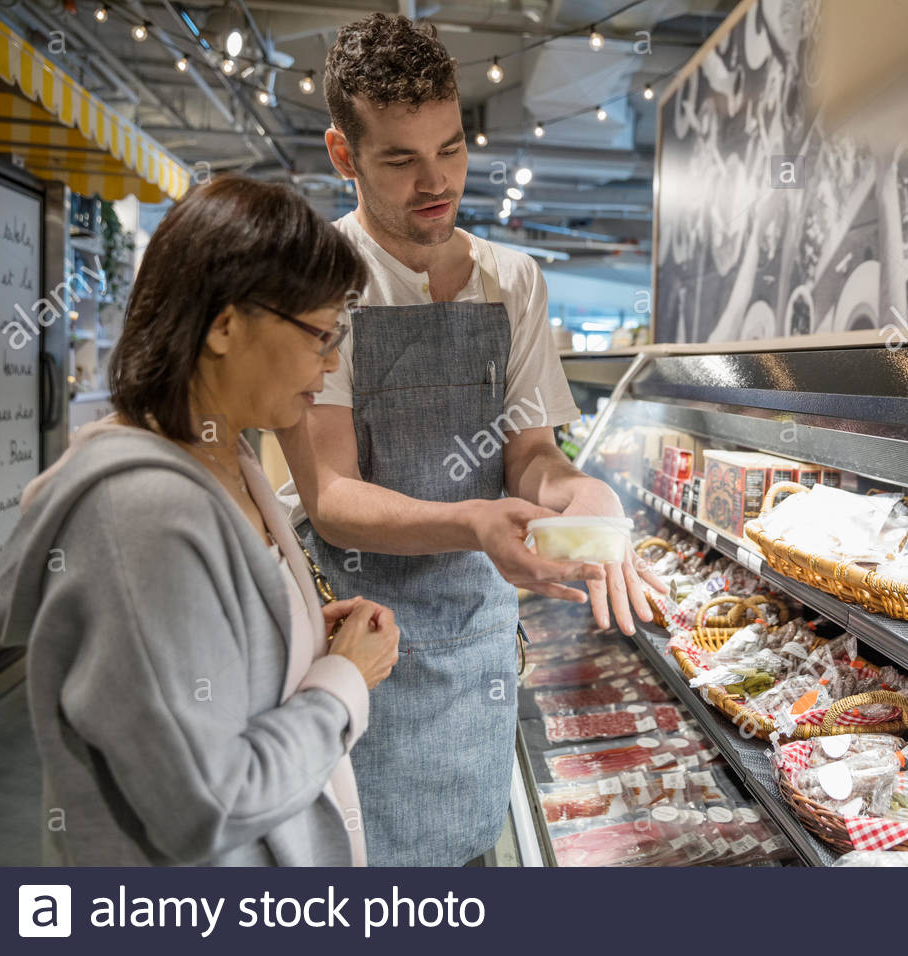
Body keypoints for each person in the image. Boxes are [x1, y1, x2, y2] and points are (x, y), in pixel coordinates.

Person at [275, 13, 664, 866]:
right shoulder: (321, 282)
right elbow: (332, 497)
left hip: (479, 644)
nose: (436, 181)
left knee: (470, 858)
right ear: (344, 155)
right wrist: (477, 523)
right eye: (400, 159)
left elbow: (529, 455)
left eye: (449, 148)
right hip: (362, 637)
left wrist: (579, 496)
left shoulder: (514, 281)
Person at [0, 176, 400, 866]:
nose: (330, 365)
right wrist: (342, 684)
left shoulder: (229, 459)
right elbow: (207, 804)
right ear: (225, 325)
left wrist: (287, 640)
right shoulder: (141, 515)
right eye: (321, 335)